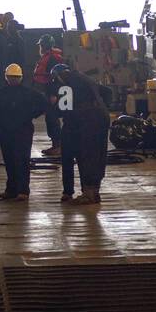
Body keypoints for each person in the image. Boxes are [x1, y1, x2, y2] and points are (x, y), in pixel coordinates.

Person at [50, 63, 110, 205]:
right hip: (101, 117)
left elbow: (61, 110)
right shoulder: (85, 78)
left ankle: (87, 194)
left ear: (59, 76)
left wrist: (54, 103)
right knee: (98, 154)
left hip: (85, 121)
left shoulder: (66, 83)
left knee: (85, 155)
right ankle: (94, 192)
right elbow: (107, 92)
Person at [0, 63, 47, 202]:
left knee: (21, 161)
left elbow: (43, 104)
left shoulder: (1, 94)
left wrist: (31, 115)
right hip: (13, 131)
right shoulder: (4, 94)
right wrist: (31, 115)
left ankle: (22, 190)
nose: (13, 80)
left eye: (14, 77)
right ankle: (12, 189)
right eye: (12, 77)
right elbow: (44, 104)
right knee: (11, 161)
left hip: (19, 131)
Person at [32, 34, 65, 156]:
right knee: (50, 118)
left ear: (44, 46)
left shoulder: (52, 59)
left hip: (51, 93)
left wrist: (53, 94)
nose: (39, 48)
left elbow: (55, 78)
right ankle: (56, 144)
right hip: (46, 92)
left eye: (40, 45)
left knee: (52, 118)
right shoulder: (49, 57)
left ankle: (58, 145)